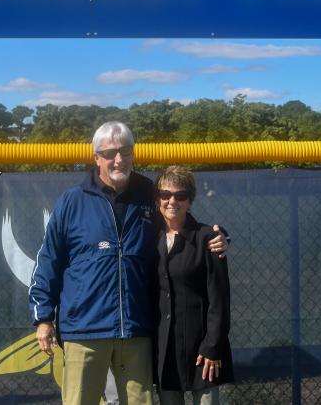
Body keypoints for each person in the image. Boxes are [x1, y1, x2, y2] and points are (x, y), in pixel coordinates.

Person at [29, 122, 228, 405]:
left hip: (136, 328)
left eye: (125, 151)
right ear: (96, 157)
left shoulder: (149, 193)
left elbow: (179, 220)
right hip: (85, 328)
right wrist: (43, 317)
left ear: (133, 154)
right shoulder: (72, 201)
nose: (118, 159)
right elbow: (49, 259)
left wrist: (219, 236)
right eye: (110, 153)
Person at [154, 166, 233, 405]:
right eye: (165, 194)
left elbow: (219, 298)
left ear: (190, 200)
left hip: (203, 349)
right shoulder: (148, 236)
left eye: (180, 196)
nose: (171, 201)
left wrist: (213, 346)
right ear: (157, 198)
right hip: (164, 348)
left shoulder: (208, 238)